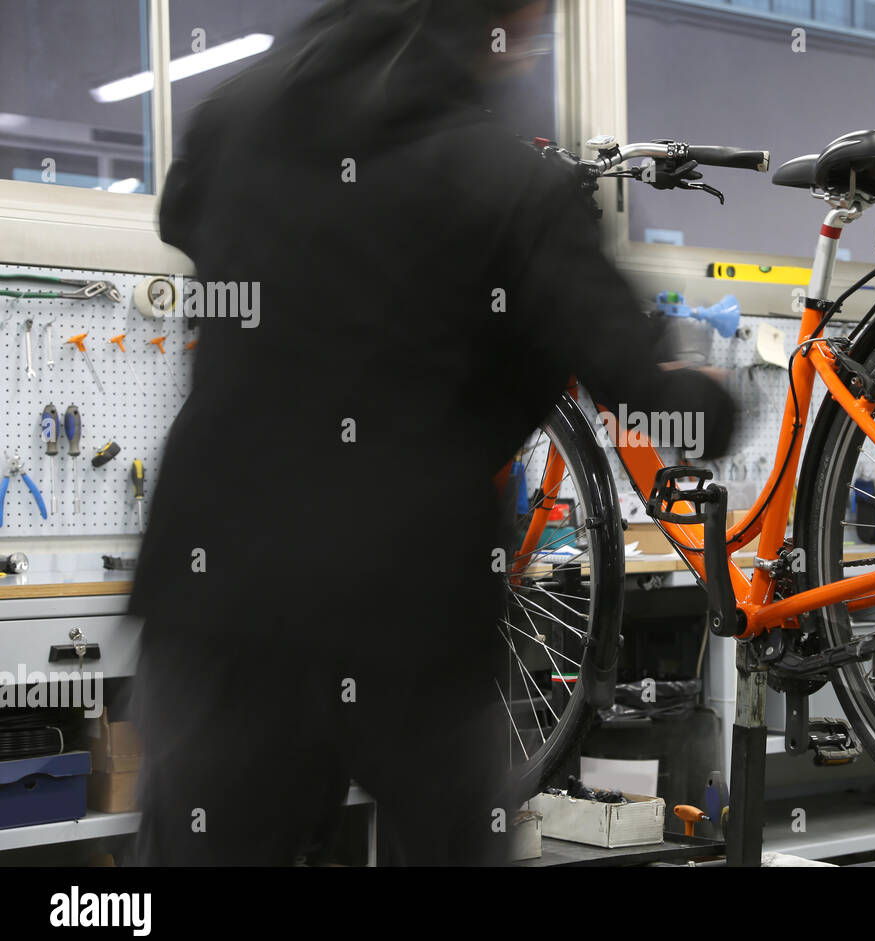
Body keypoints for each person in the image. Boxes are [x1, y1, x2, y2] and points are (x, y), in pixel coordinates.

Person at [129, 0, 735, 865]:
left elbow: (180, 217)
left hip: (212, 591)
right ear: (512, 27)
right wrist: (711, 397)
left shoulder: (238, 113)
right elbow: (644, 395)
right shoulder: (509, 178)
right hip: (406, 614)